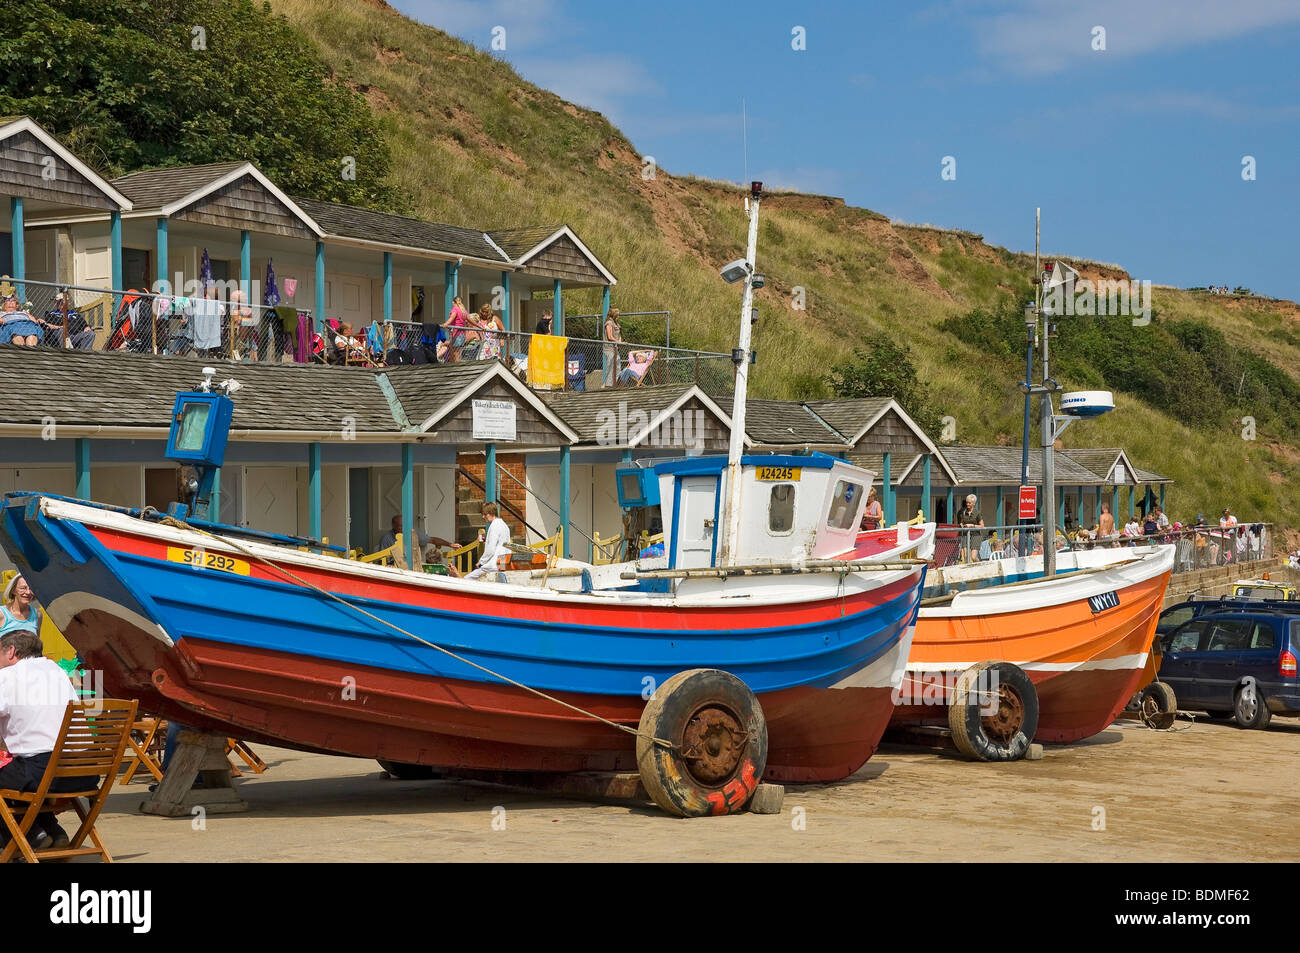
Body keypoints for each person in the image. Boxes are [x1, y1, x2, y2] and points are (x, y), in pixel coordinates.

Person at [0, 627, 79, 851]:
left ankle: (29, 836)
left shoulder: (7, 676)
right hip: (81, 773)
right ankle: (52, 831)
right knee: (19, 769)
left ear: (11, 651)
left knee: (19, 771)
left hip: (43, 773)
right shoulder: (59, 673)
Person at [466, 501, 510, 580]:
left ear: (491, 513)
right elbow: (502, 543)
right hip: (503, 562)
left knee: (467, 579)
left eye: (485, 514)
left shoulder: (494, 526)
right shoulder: (504, 525)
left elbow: (491, 549)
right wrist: (487, 539)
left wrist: (481, 562)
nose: (483, 516)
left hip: (493, 563)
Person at [377, 514, 444, 554]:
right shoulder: (386, 539)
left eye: (404, 525)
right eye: (400, 526)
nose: (403, 528)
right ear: (393, 526)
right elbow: (382, 557)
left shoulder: (412, 534)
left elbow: (432, 540)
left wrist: (450, 544)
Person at [956, 494, 983, 561]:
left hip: (975, 535)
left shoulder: (977, 513)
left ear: (973, 503)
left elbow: (982, 525)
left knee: (973, 557)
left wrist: (972, 525)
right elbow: (961, 522)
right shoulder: (963, 512)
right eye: (967, 502)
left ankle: (979, 565)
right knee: (965, 556)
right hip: (965, 534)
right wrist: (962, 524)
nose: (967, 504)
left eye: (969, 503)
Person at [603, 307, 622, 387]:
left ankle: (616, 384)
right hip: (609, 348)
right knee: (610, 367)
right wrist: (618, 341)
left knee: (618, 367)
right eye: (617, 315)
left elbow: (619, 334)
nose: (618, 316)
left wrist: (620, 341)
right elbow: (610, 336)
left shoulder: (616, 323)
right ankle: (608, 385)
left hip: (615, 348)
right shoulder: (609, 323)